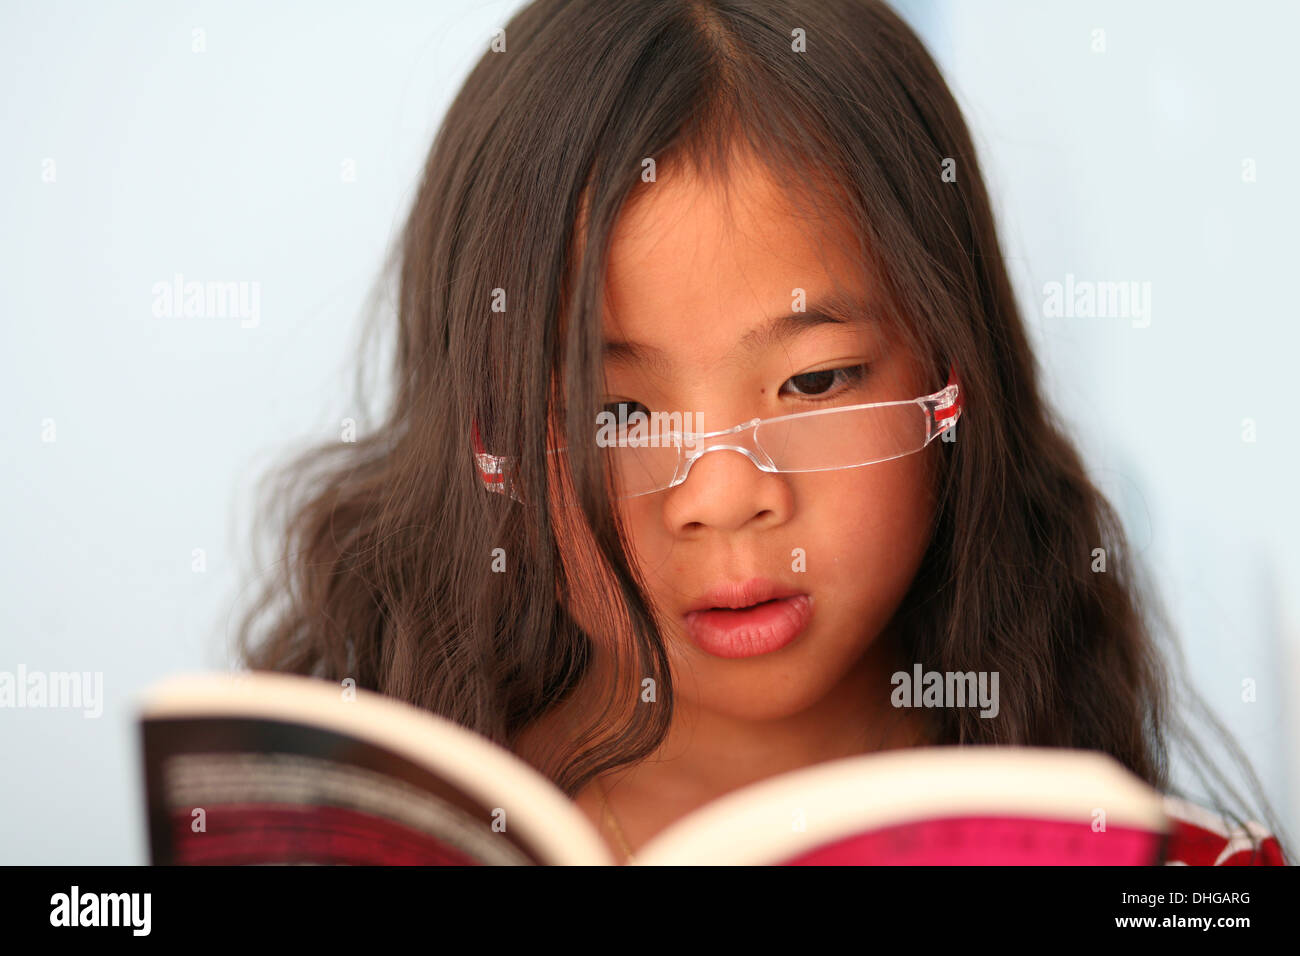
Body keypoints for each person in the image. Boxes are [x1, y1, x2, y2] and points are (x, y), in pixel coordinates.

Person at [234, 0, 1288, 866]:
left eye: (815, 378)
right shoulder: (352, 838)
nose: (725, 492)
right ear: (484, 437)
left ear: (953, 377)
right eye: (615, 412)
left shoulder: (1172, 866)